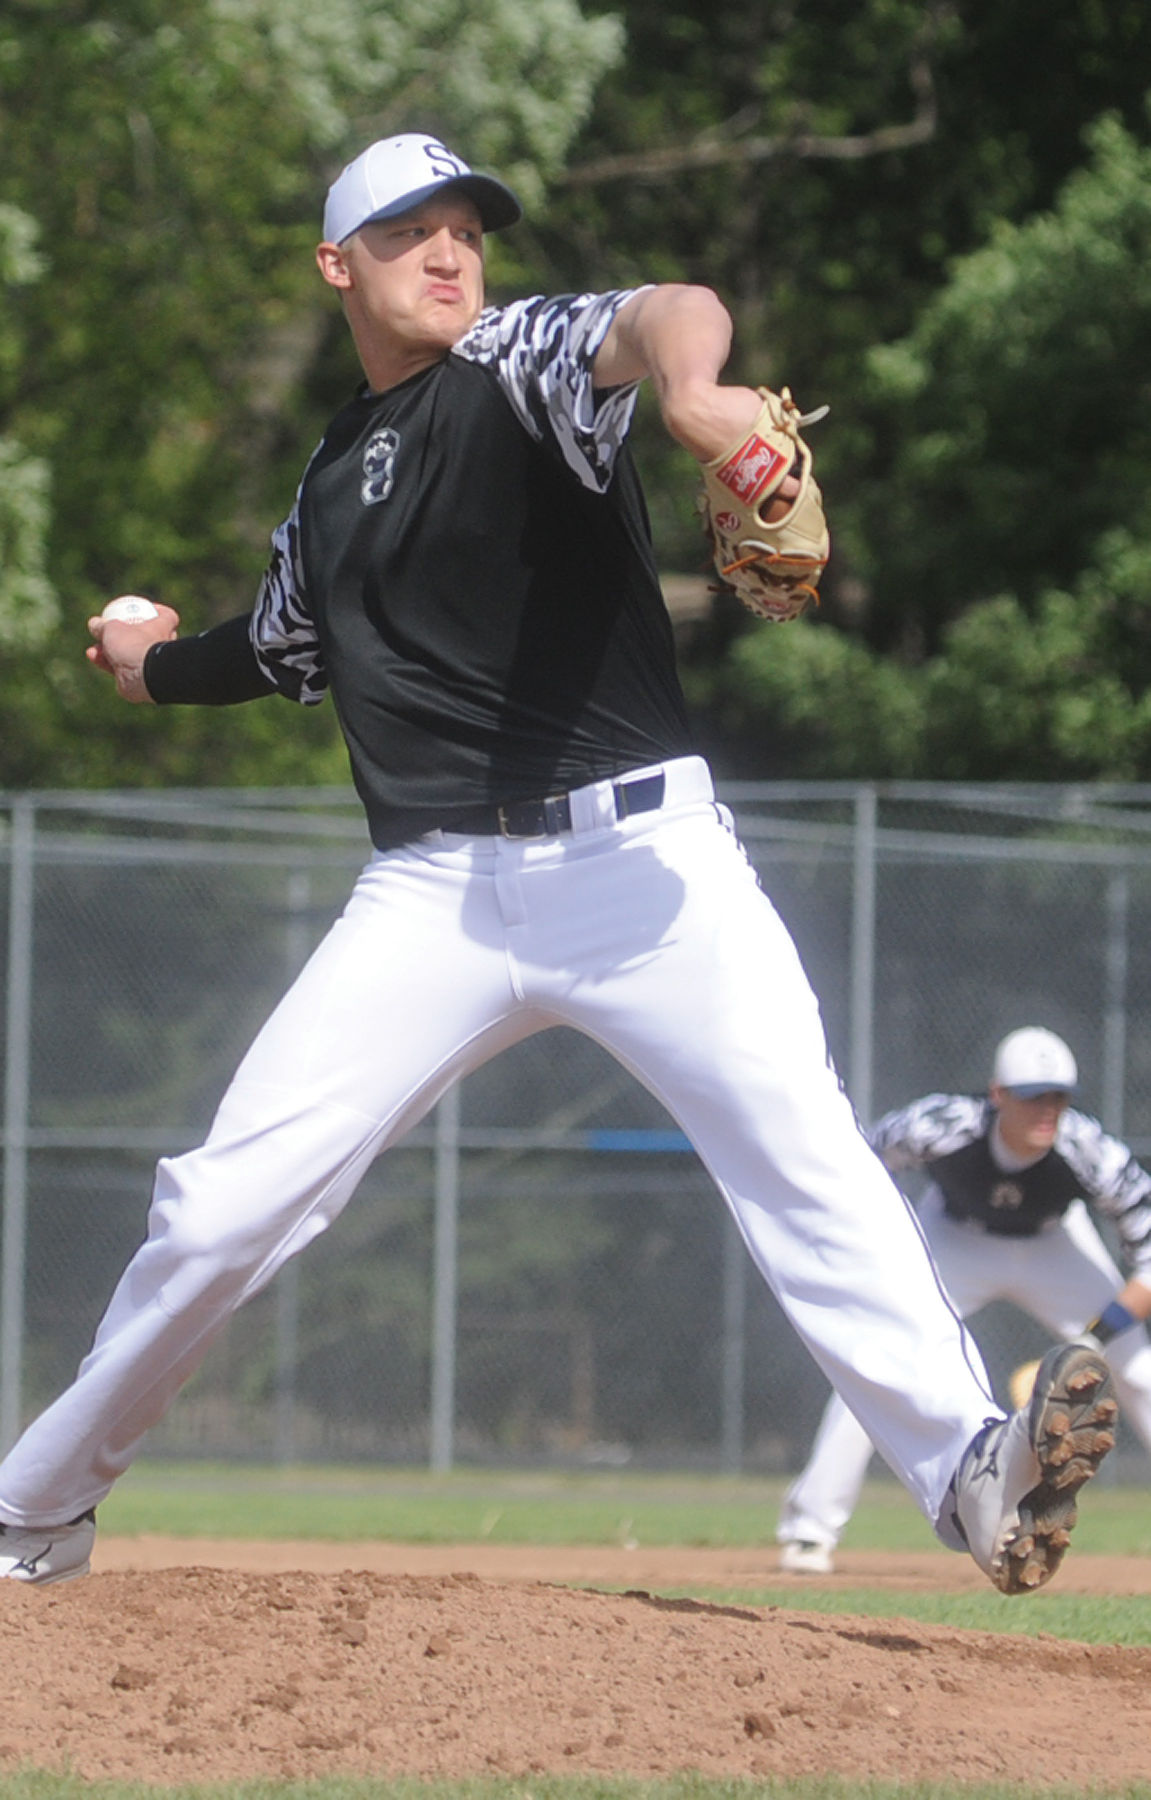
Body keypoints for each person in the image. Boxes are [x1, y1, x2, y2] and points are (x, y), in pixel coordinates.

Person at [0, 137, 1116, 1591]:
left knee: (801, 1156)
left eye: (466, 228)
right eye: (408, 232)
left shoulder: (517, 363)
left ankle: (974, 1469)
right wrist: (143, 663)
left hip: (644, 869)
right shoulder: (330, 485)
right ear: (336, 264)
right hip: (433, 898)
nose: (450, 253)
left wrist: (697, 394)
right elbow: (260, 653)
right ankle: (35, 1511)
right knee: (221, 1207)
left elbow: (665, 308)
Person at [777, 1025, 1151, 1574]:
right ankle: (809, 1531)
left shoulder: (1087, 1148)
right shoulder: (941, 1125)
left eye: (1058, 1096)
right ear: (997, 1095)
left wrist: (1094, 1338)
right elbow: (854, 1166)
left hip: (1055, 1245)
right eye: (1032, 1096)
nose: (1047, 1110)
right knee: (877, 1363)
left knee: (1138, 1370)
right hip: (955, 1240)